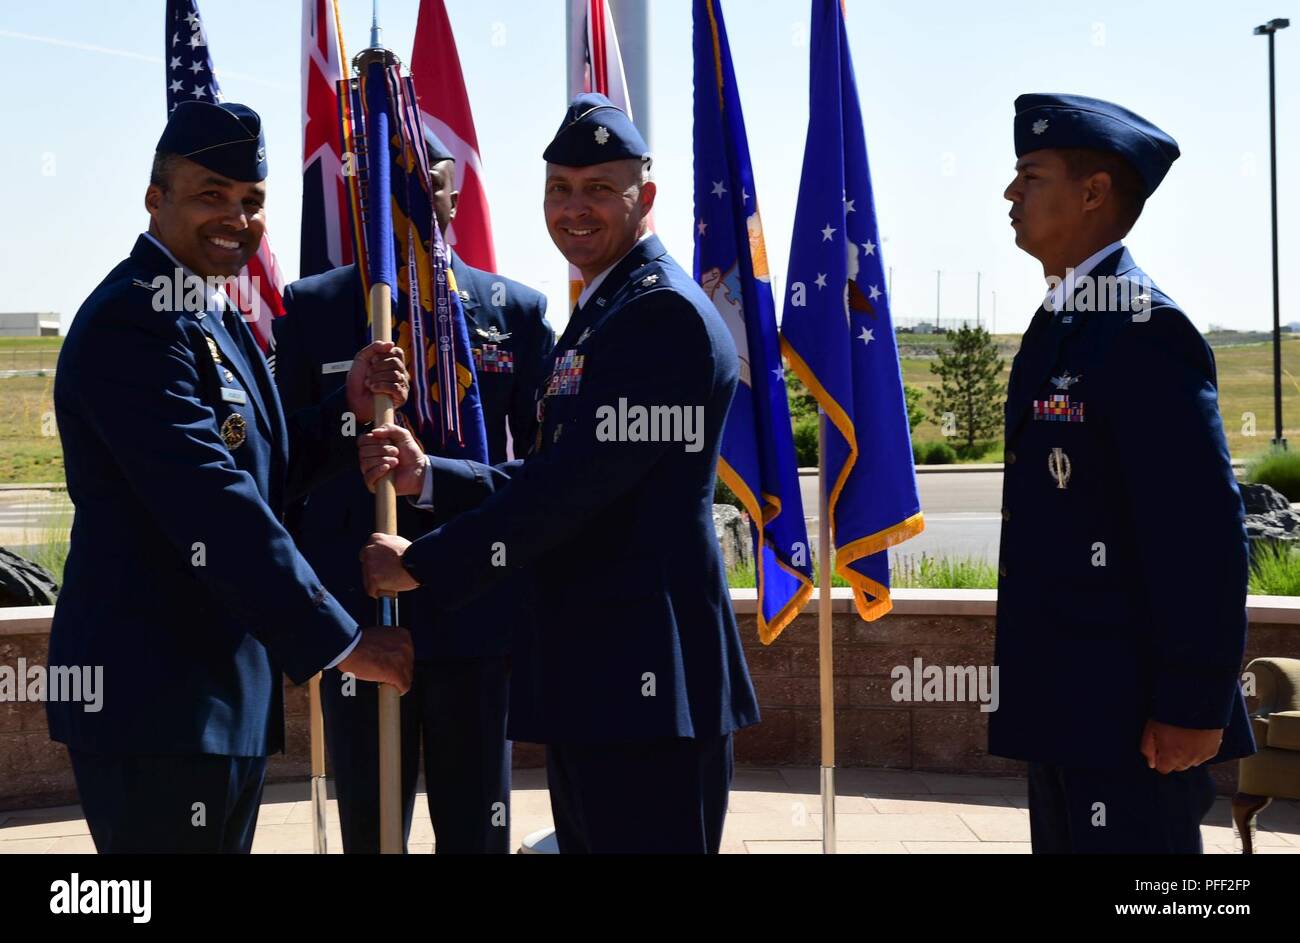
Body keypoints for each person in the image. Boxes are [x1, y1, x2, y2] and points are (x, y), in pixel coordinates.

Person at [357, 93, 758, 853]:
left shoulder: (657, 315)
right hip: (604, 679)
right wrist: (433, 477)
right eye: (559, 190)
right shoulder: (609, 305)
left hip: (646, 683)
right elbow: (566, 469)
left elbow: (568, 495)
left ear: (645, 196)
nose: (575, 209)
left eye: (600, 189)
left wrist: (426, 564)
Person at [47, 100, 413, 854]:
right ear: (156, 198)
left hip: (217, 702)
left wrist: (347, 420)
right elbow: (213, 503)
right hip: (155, 703)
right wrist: (344, 642)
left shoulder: (208, 312)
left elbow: (262, 462)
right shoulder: (133, 323)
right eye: (210, 193)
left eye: (252, 202)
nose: (235, 217)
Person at [274, 126, 554, 853]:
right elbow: (281, 461)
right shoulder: (312, 307)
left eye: (422, 188)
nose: (405, 208)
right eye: (385, 191)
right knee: (372, 831)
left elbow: (548, 475)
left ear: (452, 196)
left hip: (473, 614)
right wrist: (347, 419)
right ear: (358, 198)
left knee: (476, 829)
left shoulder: (512, 312)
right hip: (361, 620)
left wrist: (434, 480)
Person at [990, 92, 1255, 853]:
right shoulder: (1063, 322)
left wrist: (1194, 703)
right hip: (1068, 705)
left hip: (1134, 718)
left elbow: (1201, 534)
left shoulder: (1144, 329)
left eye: (1029, 174)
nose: (1011, 194)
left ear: (1094, 191)